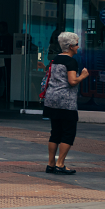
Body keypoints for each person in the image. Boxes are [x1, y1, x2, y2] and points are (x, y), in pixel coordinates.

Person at [43, 32, 88, 175]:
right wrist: (83, 75)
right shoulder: (71, 61)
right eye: (76, 44)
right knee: (68, 133)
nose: (78, 47)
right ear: (70, 46)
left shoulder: (55, 59)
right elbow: (72, 81)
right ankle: (60, 164)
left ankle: (50, 163)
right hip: (66, 101)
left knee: (55, 132)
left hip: (51, 100)